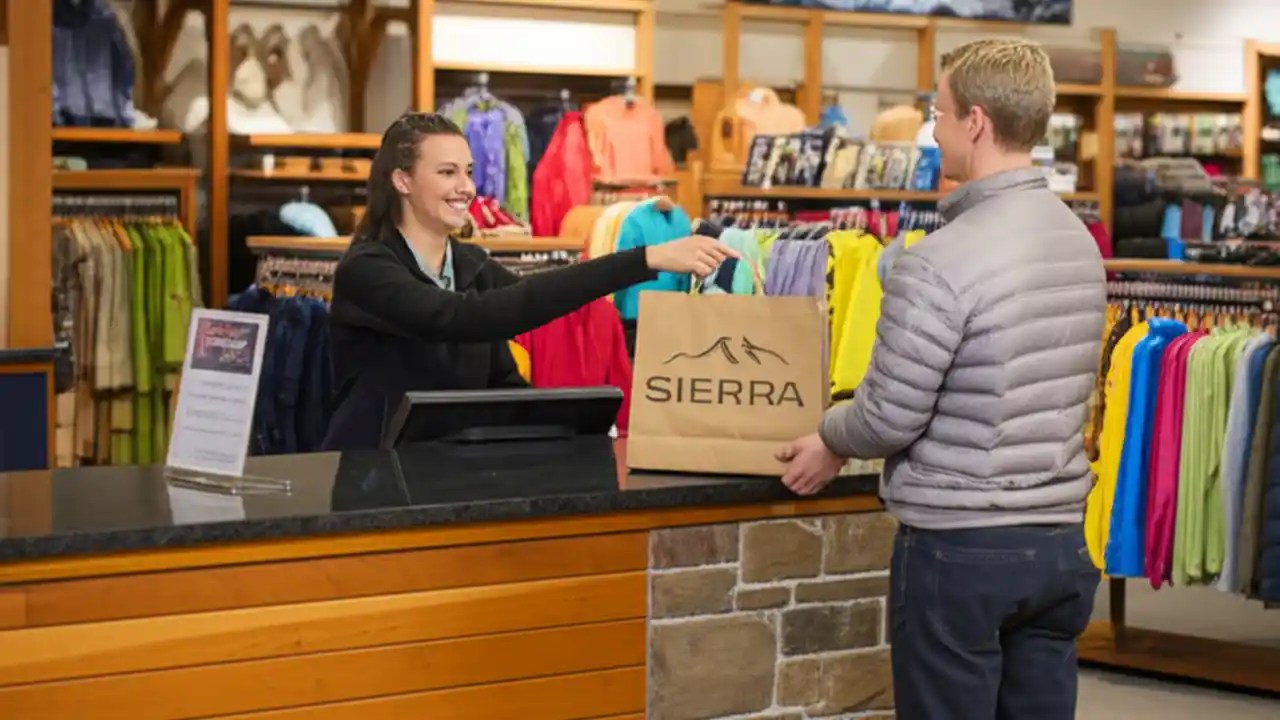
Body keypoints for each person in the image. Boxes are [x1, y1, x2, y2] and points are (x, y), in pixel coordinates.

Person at [777, 39, 1106, 719]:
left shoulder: (940, 259)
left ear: (976, 123)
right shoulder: (1079, 242)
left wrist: (829, 435)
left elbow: (890, 416)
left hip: (962, 546)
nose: (933, 128)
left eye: (941, 112)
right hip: (1061, 543)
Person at [322, 112, 735, 451]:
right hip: (371, 484)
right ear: (403, 180)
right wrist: (644, 259)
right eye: (447, 172)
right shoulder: (368, 269)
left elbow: (504, 372)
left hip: (447, 481)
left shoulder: (472, 267)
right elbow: (465, 317)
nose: (466, 187)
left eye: (467, 172)